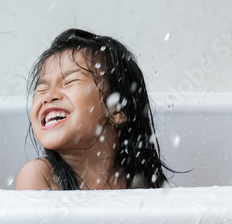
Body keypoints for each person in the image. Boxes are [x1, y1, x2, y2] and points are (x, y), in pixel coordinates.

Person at [15, 28, 170, 190]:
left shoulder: (143, 178)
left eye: (69, 81)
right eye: (41, 89)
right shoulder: (41, 175)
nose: (49, 96)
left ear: (118, 108)